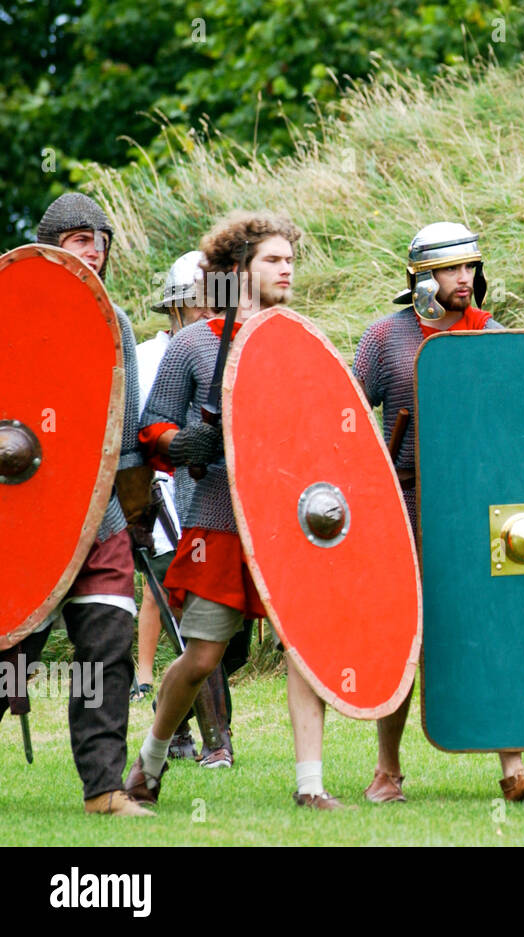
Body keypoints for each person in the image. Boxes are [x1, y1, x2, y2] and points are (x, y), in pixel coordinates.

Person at [126, 211, 348, 809]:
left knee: (303, 647)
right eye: (273, 259)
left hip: (291, 519)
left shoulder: (301, 341)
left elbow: (333, 432)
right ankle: (148, 763)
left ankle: (310, 785)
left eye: (290, 259)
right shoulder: (196, 344)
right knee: (201, 656)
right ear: (237, 270)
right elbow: (152, 427)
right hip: (219, 516)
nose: (287, 268)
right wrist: (183, 443)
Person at [353, 223, 524, 804]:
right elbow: (346, 415)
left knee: (489, 625)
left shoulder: (492, 334)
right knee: (406, 634)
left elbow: (520, 419)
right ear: (421, 277)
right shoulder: (385, 339)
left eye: (470, 267)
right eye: (452, 269)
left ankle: (514, 770)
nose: (464, 279)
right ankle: (387, 772)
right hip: (404, 502)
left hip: (477, 504)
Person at [2, 193, 153, 816]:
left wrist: (136, 513)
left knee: (109, 647)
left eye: (101, 240)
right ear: (50, 248)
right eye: (79, 239)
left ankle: (104, 789)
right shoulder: (10, 308)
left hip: (99, 518)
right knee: (8, 651)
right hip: (21, 513)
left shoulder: (114, 320)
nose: (93, 250)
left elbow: (123, 433)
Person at [134, 251, 243, 769]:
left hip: (218, 501)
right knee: (196, 633)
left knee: (218, 642)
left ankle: (171, 727)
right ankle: (211, 743)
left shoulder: (230, 342)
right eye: (194, 304)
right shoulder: (152, 354)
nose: (203, 313)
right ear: (177, 307)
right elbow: (142, 434)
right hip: (163, 504)